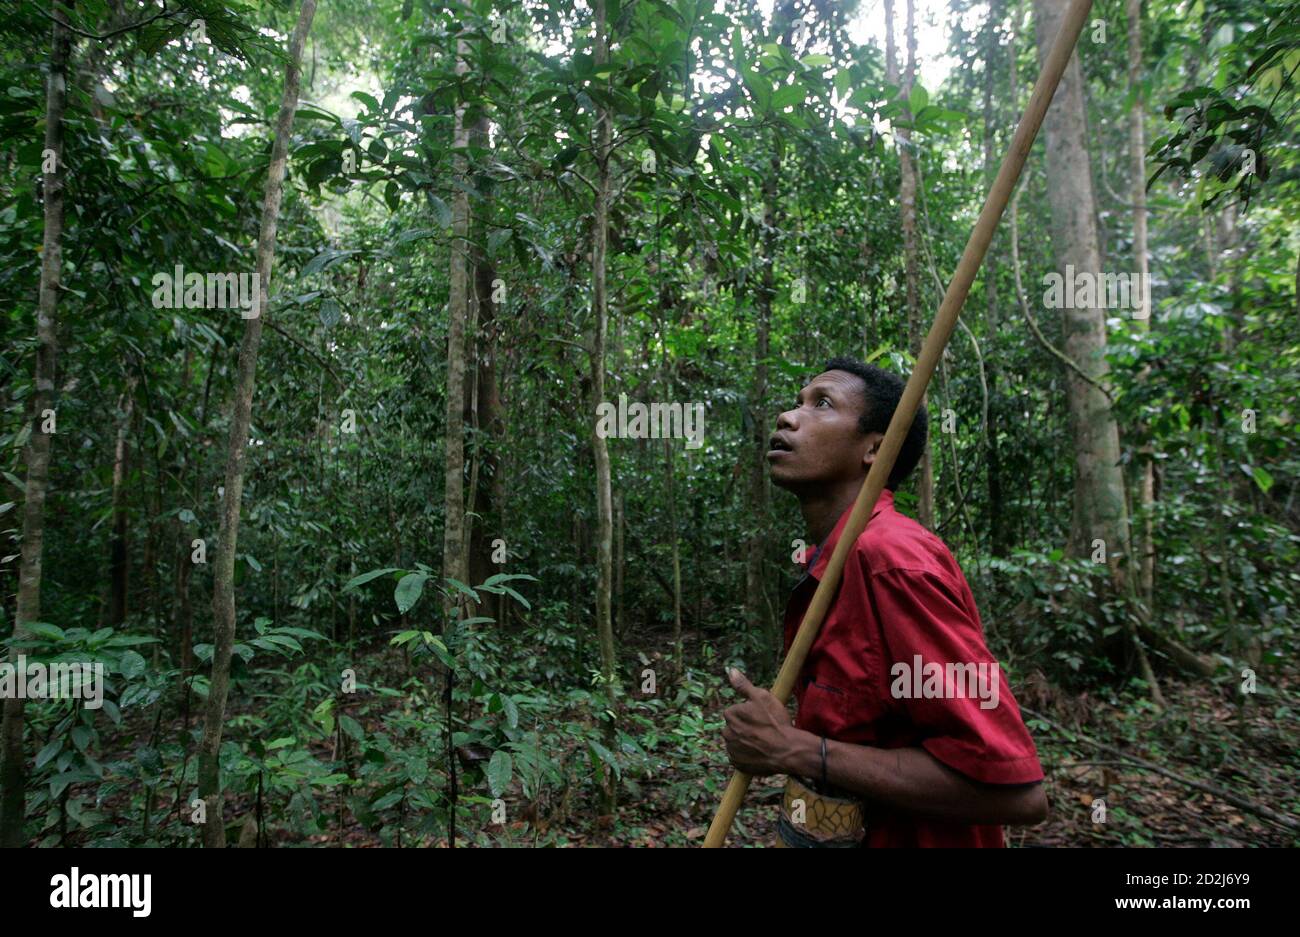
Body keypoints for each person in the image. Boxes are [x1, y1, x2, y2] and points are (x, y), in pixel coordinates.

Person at [721, 356, 1047, 847]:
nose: (789, 417)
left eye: (822, 405)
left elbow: (1016, 795)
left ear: (874, 449)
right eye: (797, 403)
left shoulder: (891, 558)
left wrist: (794, 748)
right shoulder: (834, 561)